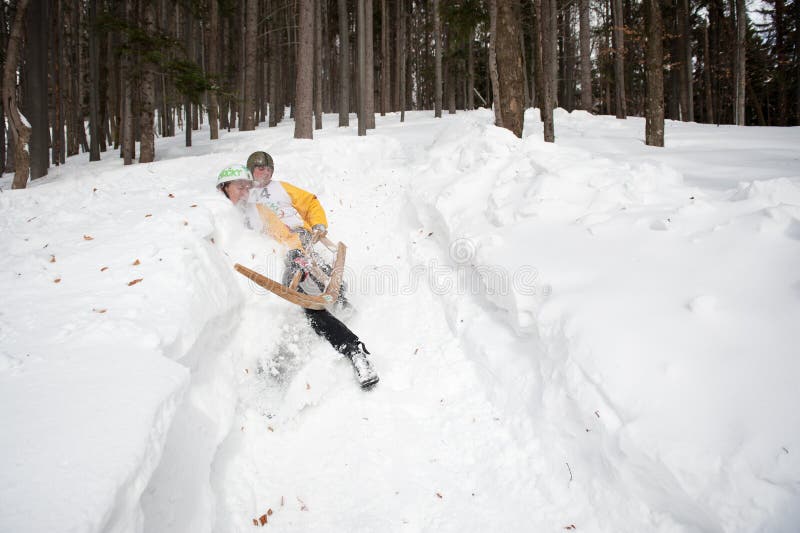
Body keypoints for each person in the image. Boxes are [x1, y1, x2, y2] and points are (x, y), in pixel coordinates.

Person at [217, 162, 379, 389]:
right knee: (282, 312)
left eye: (247, 187)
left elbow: (285, 234)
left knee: (303, 303)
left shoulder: (257, 209)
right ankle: (269, 377)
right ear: (224, 188)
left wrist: (297, 253)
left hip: (278, 261)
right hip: (245, 281)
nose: (244, 192)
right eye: (239, 187)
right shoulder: (219, 215)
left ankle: (353, 349)